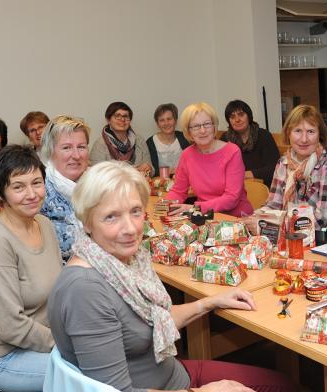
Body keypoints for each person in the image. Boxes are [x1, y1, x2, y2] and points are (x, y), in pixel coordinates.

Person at [47, 161, 294, 392]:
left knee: (282, 383)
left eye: (135, 212)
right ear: (86, 223)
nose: (131, 228)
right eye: (111, 216)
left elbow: (155, 320)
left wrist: (209, 302)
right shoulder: (85, 290)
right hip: (168, 385)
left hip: (171, 374)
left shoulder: (121, 262)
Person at [0, 145, 62, 392]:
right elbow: (12, 327)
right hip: (2, 357)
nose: (32, 194)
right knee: (89, 372)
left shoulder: (43, 224)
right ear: (0, 192)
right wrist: (64, 343)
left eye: (37, 183)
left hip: (39, 343)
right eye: (18, 187)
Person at [253, 105, 327, 233]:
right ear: (288, 133)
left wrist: (271, 225)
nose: (304, 139)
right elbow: (274, 205)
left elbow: (323, 219)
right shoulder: (283, 163)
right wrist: (257, 217)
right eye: (298, 131)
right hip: (293, 235)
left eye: (311, 131)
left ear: (320, 135)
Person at [165, 102, 252, 217]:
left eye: (207, 124)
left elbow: (231, 198)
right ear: (188, 131)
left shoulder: (232, 152)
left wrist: (195, 208)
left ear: (214, 126)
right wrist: (165, 205)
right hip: (205, 218)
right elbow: (178, 191)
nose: (202, 131)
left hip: (235, 219)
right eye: (196, 126)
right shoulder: (187, 155)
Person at [39, 115, 91, 260]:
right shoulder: (39, 192)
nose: (76, 155)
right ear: (50, 152)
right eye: (66, 148)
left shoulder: (99, 186)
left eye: (81, 147)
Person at [223, 99, 280, 185]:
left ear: (249, 116)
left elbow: (275, 168)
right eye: (232, 117)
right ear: (229, 121)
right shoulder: (225, 139)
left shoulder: (264, 136)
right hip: (232, 186)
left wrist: (247, 174)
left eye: (241, 115)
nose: (237, 119)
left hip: (261, 186)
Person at [89, 102, 153, 175]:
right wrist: (130, 172)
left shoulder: (139, 140)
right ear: (108, 120)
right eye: (117, 116)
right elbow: (95, 174)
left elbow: (150, 168)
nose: (122, 119)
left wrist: (148, 168)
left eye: (126, 116)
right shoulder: (100, 144)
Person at [146, 103, 190, 176]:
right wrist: (168, 172)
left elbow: (193, 164)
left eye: (169, 119)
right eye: (162, 120)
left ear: (175, 121)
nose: (166, 123)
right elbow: (151, 171)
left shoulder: (185, 138)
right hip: (160, 184)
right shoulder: (150, 143)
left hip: (184, 180)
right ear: (157, 124)